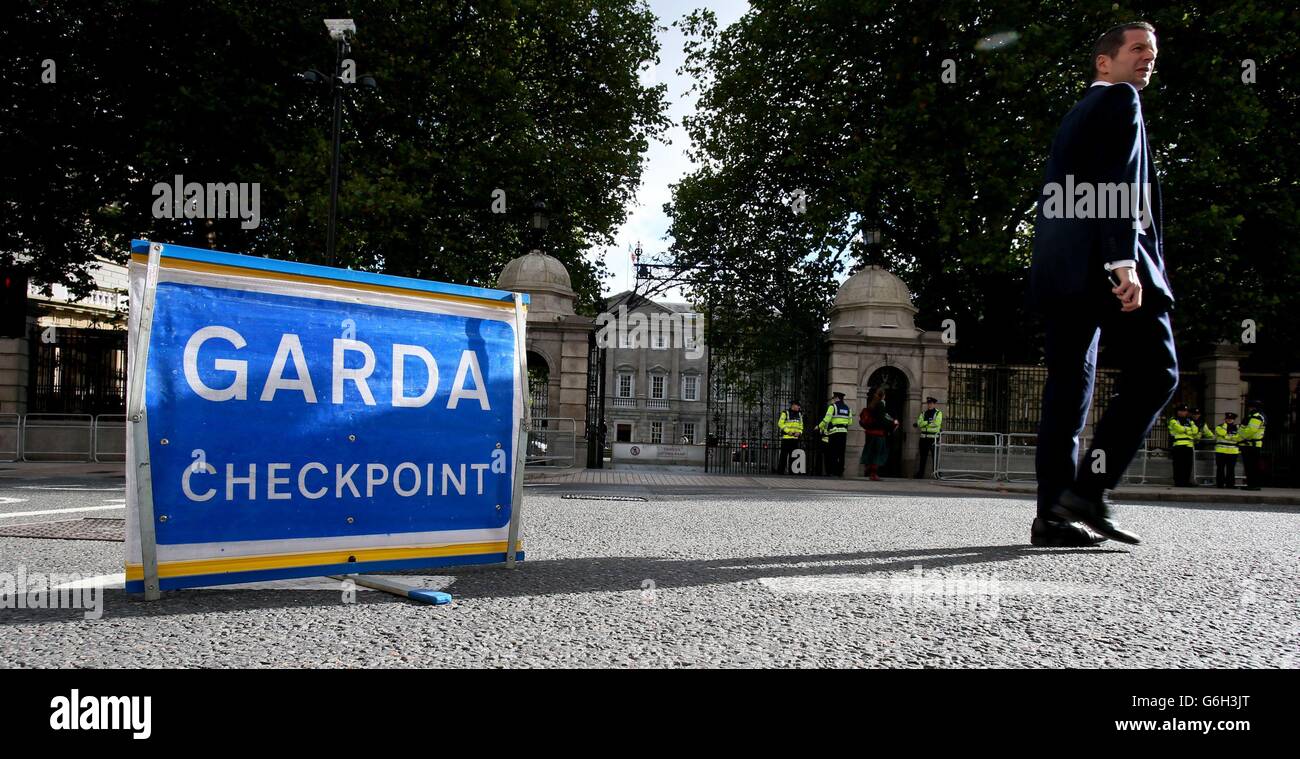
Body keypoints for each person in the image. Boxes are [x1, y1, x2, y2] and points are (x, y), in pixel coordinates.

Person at [1028, 22, 1175, 547]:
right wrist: (1123, 262)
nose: (1147, 60)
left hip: (1063, 271)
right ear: (1104, 62)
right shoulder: (1121, 102)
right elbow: (1118, 180)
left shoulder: (1074, 115)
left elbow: (1065, 196)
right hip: (1107, 265)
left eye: (1152, 54)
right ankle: (1090, 489)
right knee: (1159, 372)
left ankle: (1053, 516)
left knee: (1067, 397)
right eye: (1137, 50)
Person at [858, 387, 898, 481]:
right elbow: (881, 420)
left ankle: (870, 468)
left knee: (872, 452)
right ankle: (873, 473)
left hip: (870, 433)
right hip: (878, 434)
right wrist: (892, 423)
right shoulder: (880, 404)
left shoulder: (872, 404)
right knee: (878, 453)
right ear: (883, 396)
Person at [818, 391, 853, 477]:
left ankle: (833, 471)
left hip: (834, 432)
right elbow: (850, 422)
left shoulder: (832, 407)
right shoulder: (848, 408)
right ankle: (840, 472)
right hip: (843, 433)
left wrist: (819, 426)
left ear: (837, 398)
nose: (833, 400)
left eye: (833, 398)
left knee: (833, 452)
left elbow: (827, 419)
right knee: (841, 453)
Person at [1167, 403, 1199, 487]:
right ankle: (1178, 482)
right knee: (1178, 465)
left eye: (1185, 411)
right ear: (1177, 411)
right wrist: (1189, 430)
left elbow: (1195, 430)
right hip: (1178, 445)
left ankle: (1186, 481)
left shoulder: (1189, 420)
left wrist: (1186, 430)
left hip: (1189, 445)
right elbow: (1179, 429)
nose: (1183, 413)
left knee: (1188, 465)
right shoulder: (1173, 420)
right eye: (1181, 411)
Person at [1237, 399, 1266, 491]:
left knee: (1251, 466)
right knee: (1251, 466)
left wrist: (1240, 437)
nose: (1249, 409)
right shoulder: (1257, 415)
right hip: (1252, 444)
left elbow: (1251, 430)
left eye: (1250, 407)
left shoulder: (1256, 416)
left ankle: (1253, 485)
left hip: (1252, 445)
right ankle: (1252, 484)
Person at [913, 397, 943, 478]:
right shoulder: (923, 413)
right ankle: (920, 474)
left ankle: (937, 474)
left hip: (933, 438)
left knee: (935, 457)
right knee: (923, 457)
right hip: (923, 438)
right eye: (928, 403)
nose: (929, 405)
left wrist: (925, 423)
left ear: (934, 404)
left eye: (931, 403)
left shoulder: (938, 413)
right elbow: (919, 423)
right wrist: (929, 422)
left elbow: (936, 424)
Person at [1214, 412, 1241, 488]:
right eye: (1228, 419)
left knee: (1231, 469)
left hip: (1233, 451)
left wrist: (1227, 437)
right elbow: (1222, 433)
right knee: (1220, 469)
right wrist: (1231, 437)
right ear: (1225, 419)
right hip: (1221, 451)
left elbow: (1239, 437)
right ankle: (1220, 484)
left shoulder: (1238, 427)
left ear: (1234, 420)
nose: (1229, 420)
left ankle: (1230, 485)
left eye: (1231, 419)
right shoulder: (1219, 427)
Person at [776, 401, 804, 475]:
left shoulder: (799, 414)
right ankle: (780, 472)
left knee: (794, 456)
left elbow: (801, 425)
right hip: (786, 438)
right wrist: (788, 431)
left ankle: (792, 472)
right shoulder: (785, 413)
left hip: (795, 439)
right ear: (793, 405)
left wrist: (800, 432)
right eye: (798, 406)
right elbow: (780, 423)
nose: (799, 407)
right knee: (783, 456)